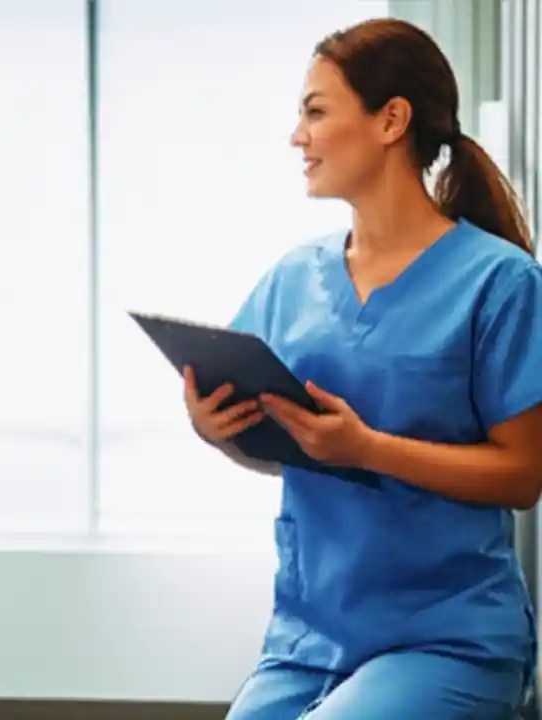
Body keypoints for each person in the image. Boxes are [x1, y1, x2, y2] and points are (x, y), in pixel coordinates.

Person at [184, 18, 542, 719]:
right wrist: (218, 428)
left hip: (446, 638)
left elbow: (525, 475)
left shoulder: (500, 282)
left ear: (391, 120)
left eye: (316, 111)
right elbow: (293, 452)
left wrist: (367, 447)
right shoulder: (294, 278)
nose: (298, 136)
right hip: (308, 639)